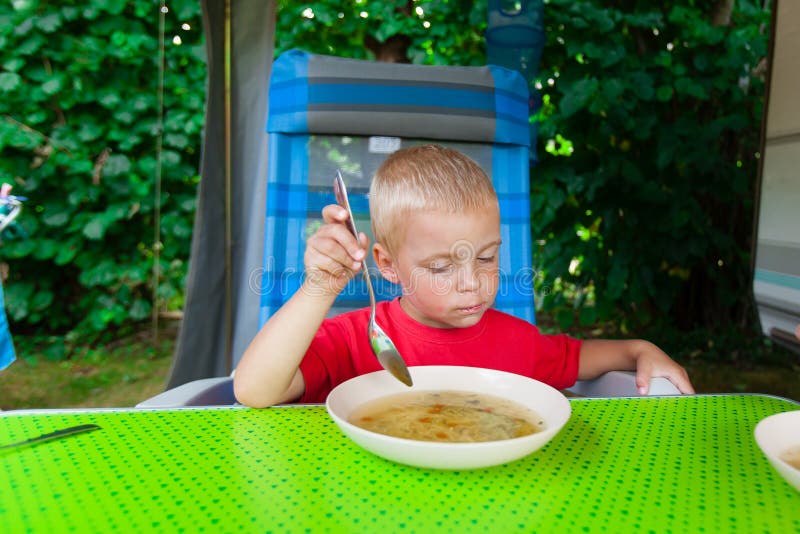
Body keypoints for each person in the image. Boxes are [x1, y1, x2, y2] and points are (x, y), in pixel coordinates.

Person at [234, 144, 694, 407]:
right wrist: (320, 289)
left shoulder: (518, 343)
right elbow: (254, 390)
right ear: (388, 264)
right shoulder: (356, 341)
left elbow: (585, 357)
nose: (472, 282)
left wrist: (641, 349)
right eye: (440, 267)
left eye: (488, 258)